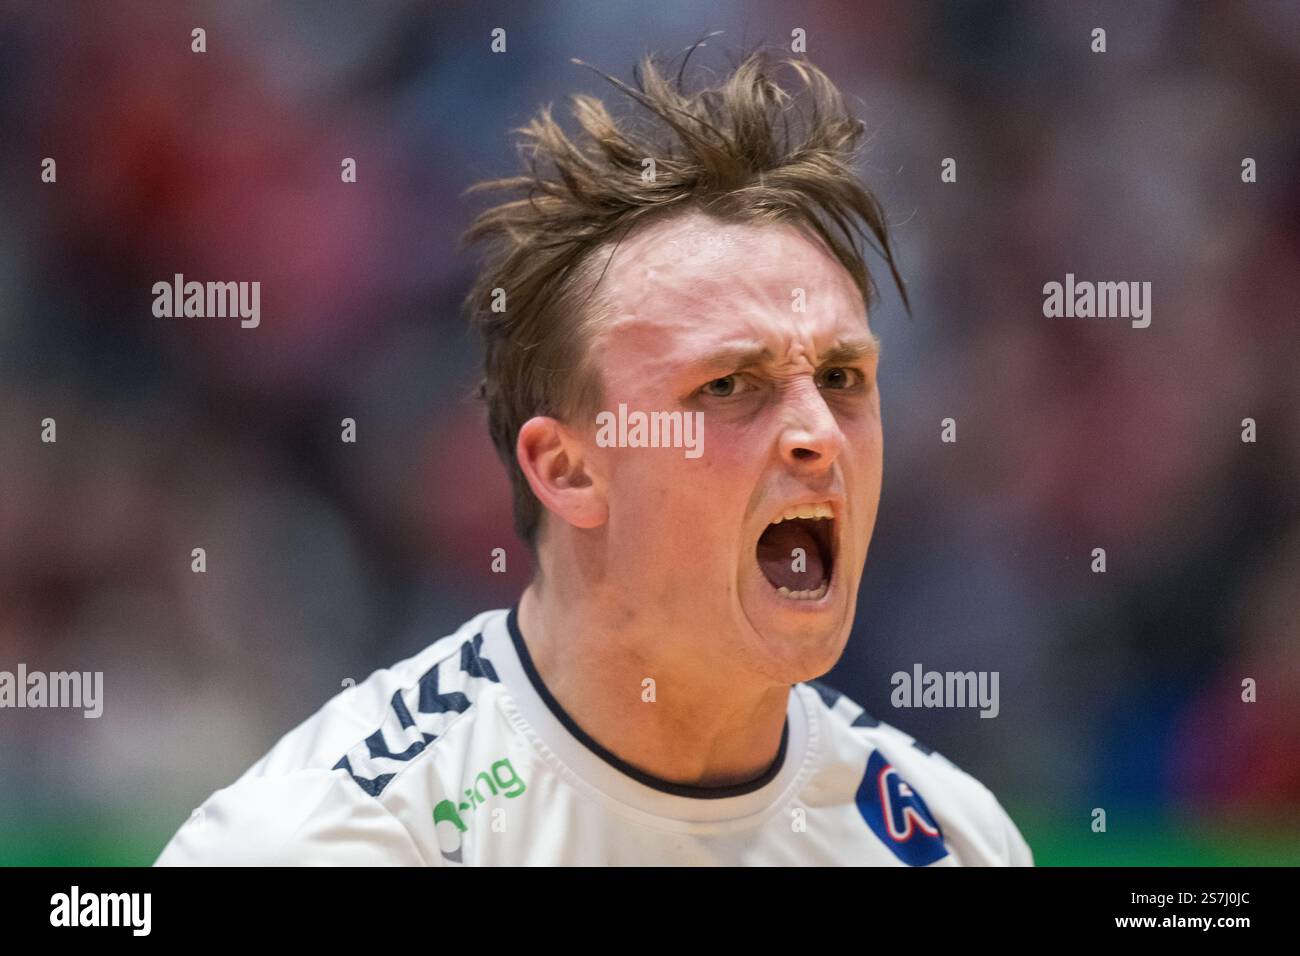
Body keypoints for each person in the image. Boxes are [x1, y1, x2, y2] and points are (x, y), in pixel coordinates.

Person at [157, 47, 1032, 866]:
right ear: (568, 469)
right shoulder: (336, 837)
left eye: (842, 376)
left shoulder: (950, 835)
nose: (820, 433)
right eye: (728, 386)